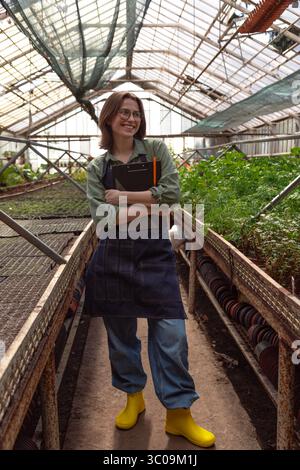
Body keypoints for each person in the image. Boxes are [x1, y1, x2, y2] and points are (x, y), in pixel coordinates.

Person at [84, 91, 215, 448]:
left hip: (154, 255)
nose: (131, 119)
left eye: (136, 113)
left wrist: (124, 198)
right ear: (109, 119)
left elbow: (172, 195)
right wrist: (152, 207)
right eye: (124, 113)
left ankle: (179, 414)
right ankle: (133, 398)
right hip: (114, 259)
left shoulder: (155, 151)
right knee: (122, 336)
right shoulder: (98, 168)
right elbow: (103, 220)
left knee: (172, 334)